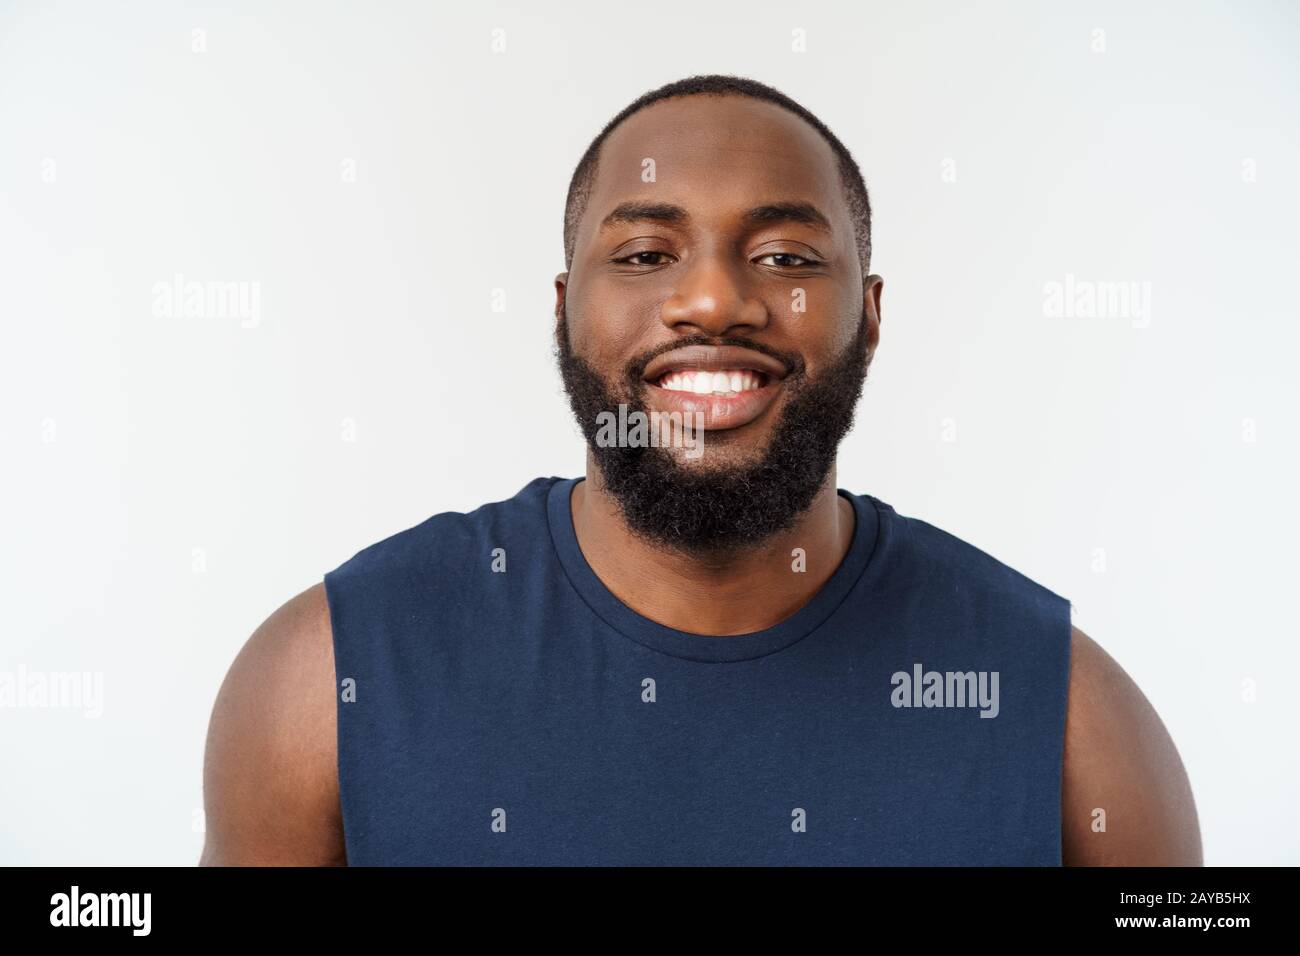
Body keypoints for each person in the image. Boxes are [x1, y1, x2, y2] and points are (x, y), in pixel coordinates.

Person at [200, 74, 1202, 866]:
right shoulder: (327, 677)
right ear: (562, 306)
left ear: (873, 311)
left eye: (785, 256)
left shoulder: (1067, 713)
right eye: (643, 253)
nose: (715, 298)